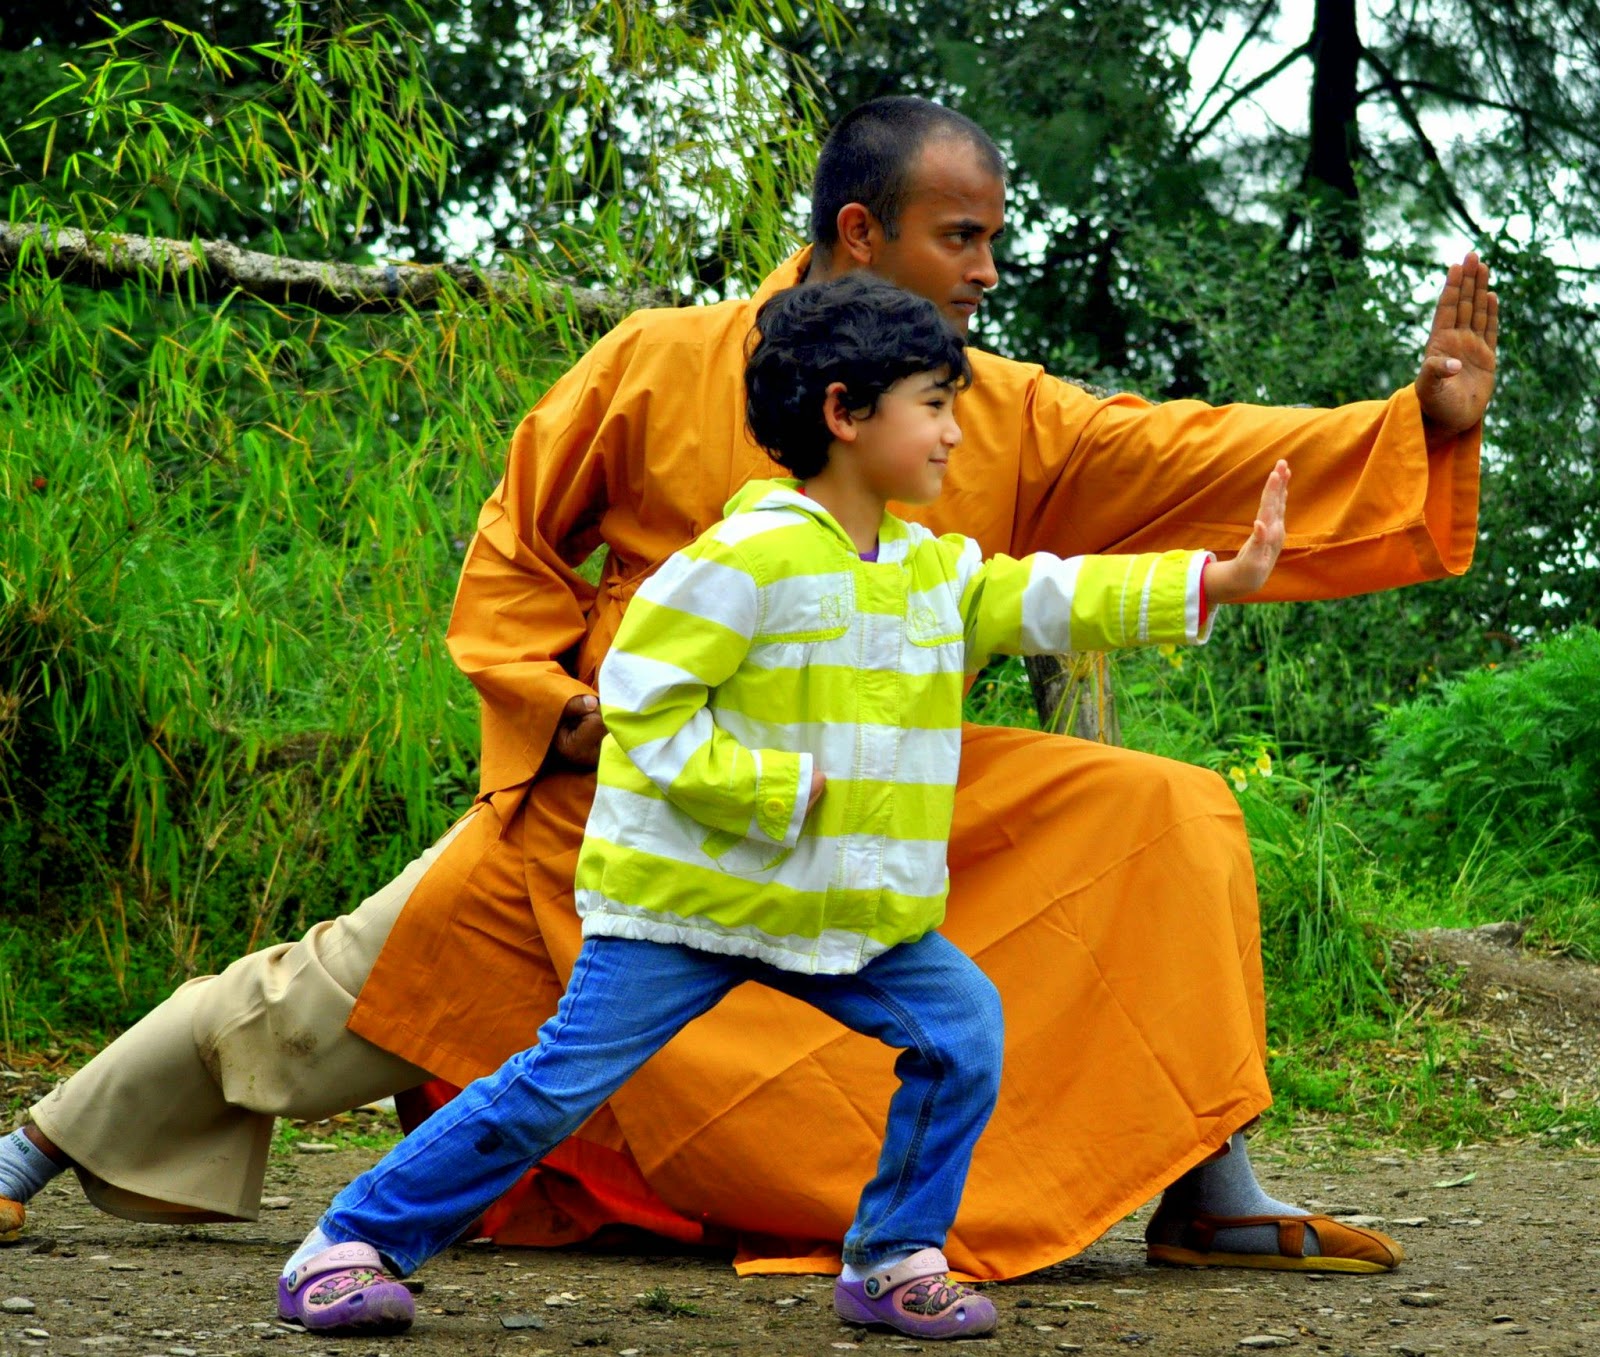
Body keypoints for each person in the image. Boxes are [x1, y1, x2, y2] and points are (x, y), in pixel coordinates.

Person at [2, 96, 1497, 1279]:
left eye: (993, 243)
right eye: (961, 237)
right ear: (863, 231)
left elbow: (1182, 458)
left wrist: (1401, 425)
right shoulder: (661, 362)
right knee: (336, 992)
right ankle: (37, 1150)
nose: (987, 272)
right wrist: (557, 703)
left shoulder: (991, 403)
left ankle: (1204, 1181)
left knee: (1157, 811)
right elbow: (519, 542)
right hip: (634, 816)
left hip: (872, 805)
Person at [272, 274, 1294, 1338]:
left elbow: (1040, 595)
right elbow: (639, 698)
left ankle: (893, 1256)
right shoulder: (739, 561)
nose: (954, 434)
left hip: (840, 912)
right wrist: (762, 791)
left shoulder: (928, 570)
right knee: (557, 1085)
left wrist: (1210, 582)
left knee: (960, 1031)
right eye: (934, 405)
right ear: (845, 413)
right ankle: (351, 1241)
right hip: (689, 904)